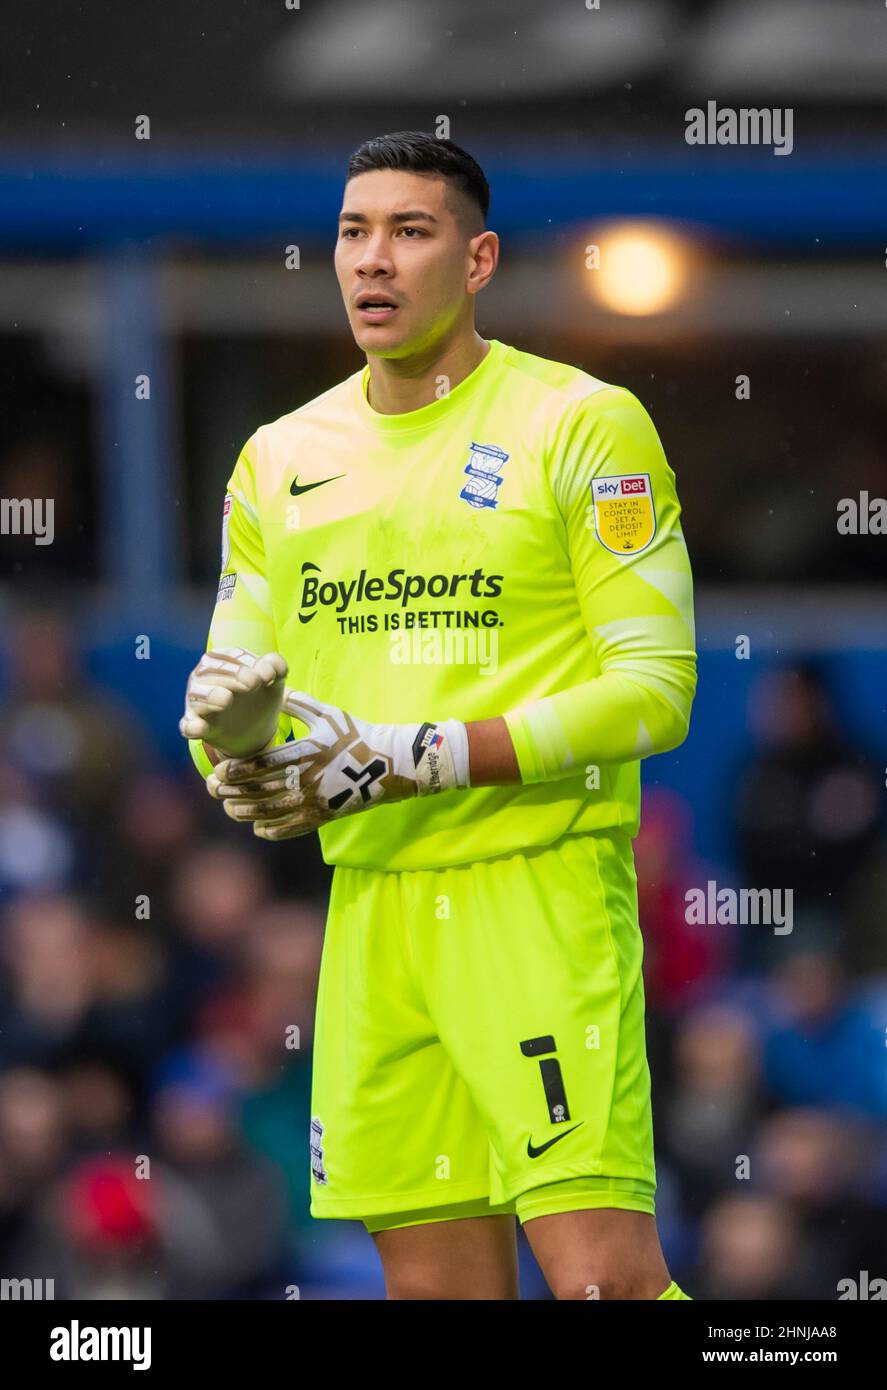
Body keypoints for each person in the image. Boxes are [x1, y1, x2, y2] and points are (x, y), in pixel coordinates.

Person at [180, 132, 697, 1300]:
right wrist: (236, 759)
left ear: (476, 260)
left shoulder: (581, 423)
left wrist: (423, 753)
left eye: (410, 232)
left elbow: (656, 688)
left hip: (537, 890)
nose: (373, 260)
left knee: (601, 1281)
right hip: (372, 909)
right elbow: (228, 681)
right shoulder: (278, 458)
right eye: (353, 233)